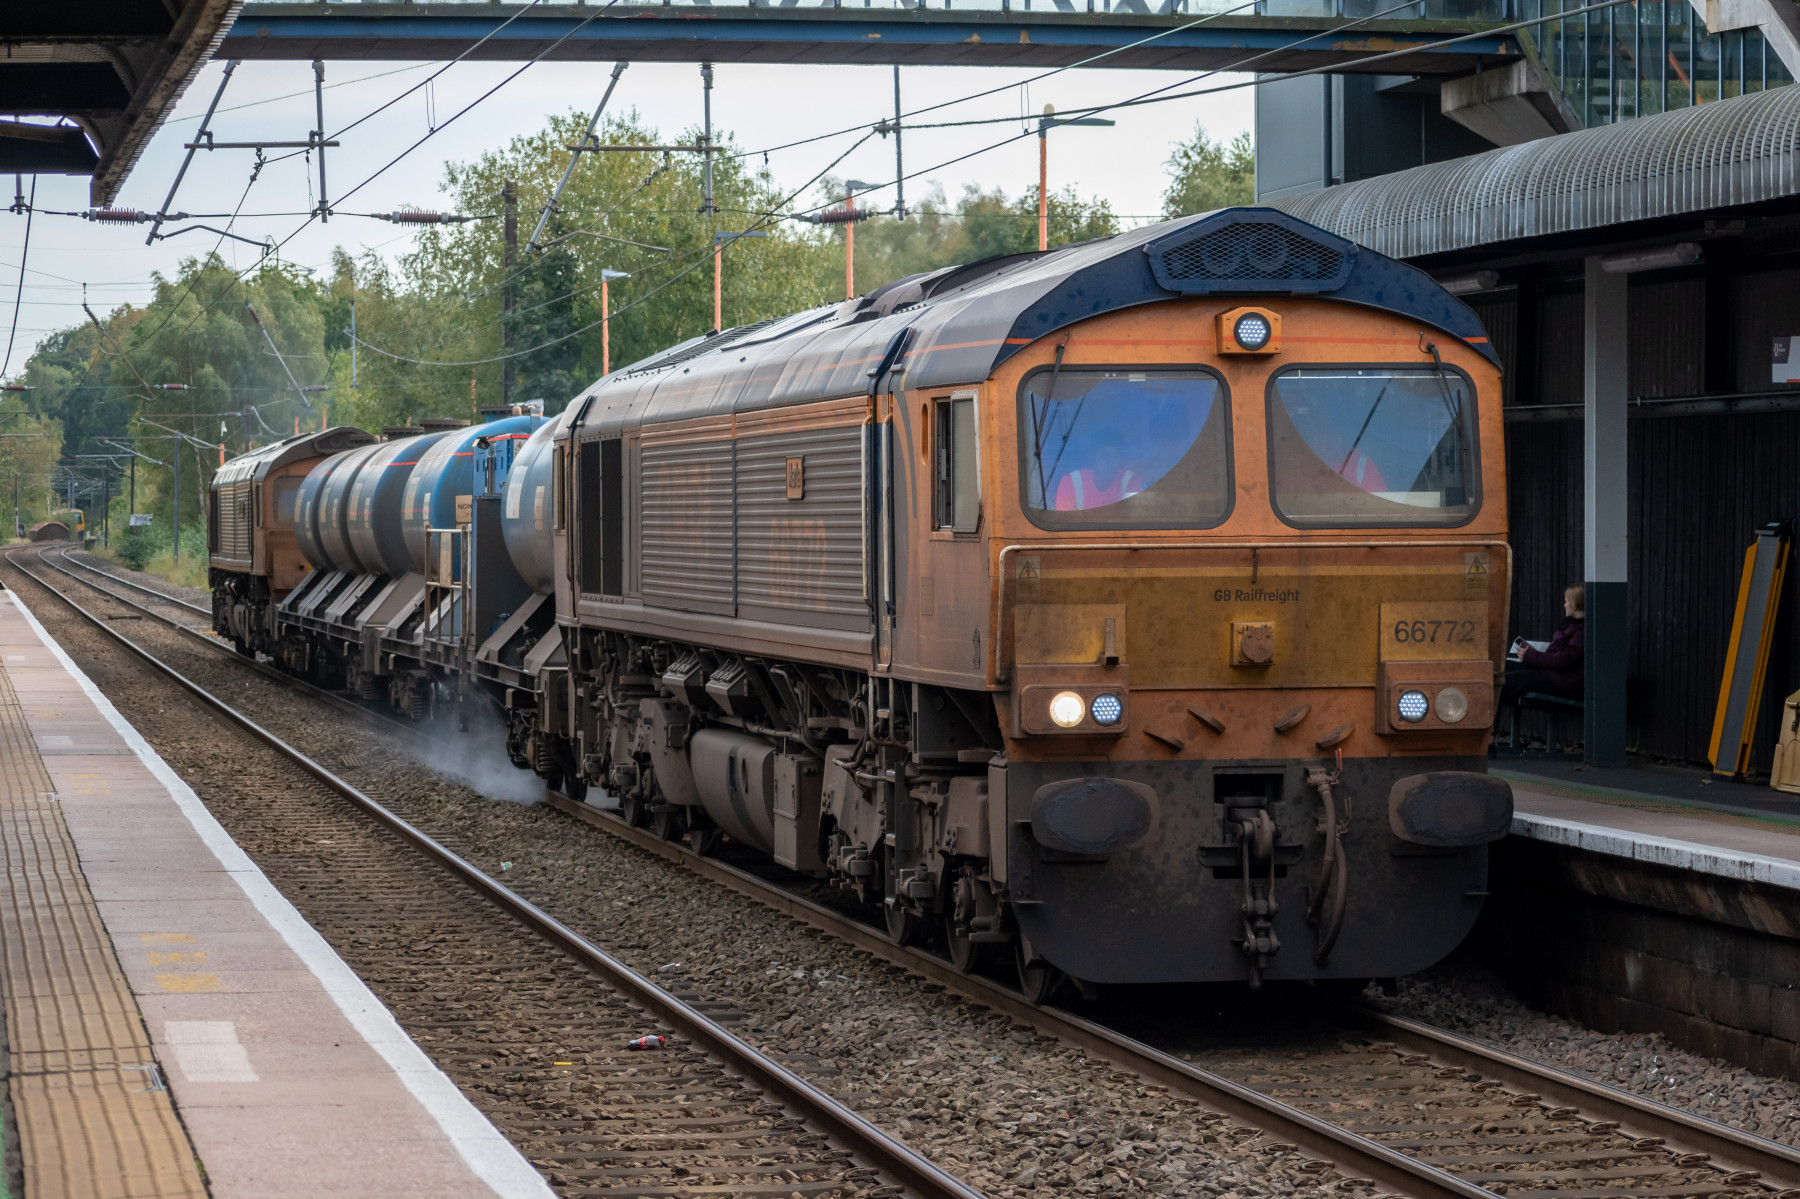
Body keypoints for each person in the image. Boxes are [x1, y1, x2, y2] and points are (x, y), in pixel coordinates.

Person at [1500, 583, 1585, 709]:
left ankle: (1488, 721)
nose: (1564, 605)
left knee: (1502, 684)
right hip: (1552, 674)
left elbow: (1564, 659)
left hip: (1560, 681)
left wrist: (1532, 656)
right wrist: (1530, 656)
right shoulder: (1572, 625)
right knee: (1502, 669)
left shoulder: (1582, 630)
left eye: (1566, 601)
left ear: (1575, 604)